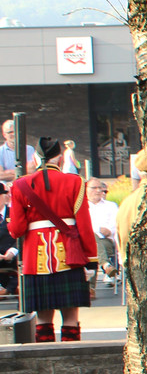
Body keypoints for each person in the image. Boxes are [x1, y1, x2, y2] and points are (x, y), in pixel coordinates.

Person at [7, 138, 94, 342]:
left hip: (35, 259)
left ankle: (45, 356)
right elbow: (84, 224)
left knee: (43, 318)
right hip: (69, 255)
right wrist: (91, 259)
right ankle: (71, 355)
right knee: (70, 317)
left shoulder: (20, 185)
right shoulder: (75, 182)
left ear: (35, 158)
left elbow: (17, 230)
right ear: (60, 158)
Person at [84, 178, 119, 281]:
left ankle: (91, 286)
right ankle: (106, 265)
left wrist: (106, 231)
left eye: (100, 188)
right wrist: (98, 229)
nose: (98, 190)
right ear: (86, 189)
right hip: (85, 242)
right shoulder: (82, 206)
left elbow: (115, 225)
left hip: (106, 242)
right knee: (92, 238)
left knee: (92, 246)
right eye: (94, 188)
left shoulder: (111, 206)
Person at [0, 184, 16, 295]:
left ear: (4, 197)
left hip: (12, 254)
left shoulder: (14, 213)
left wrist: (12, 251)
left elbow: (22, 235)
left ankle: (9, 289)